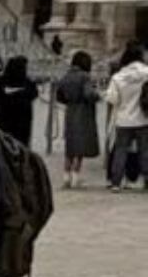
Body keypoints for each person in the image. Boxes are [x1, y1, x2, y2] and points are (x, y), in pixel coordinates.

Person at [102, 46, 147, 191]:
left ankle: (116, 181)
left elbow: (112, 98)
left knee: (120, 150)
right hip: (144, 117)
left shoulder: (118, 77)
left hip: (123, 118)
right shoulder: (146, 73)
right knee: (144, 150)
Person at [55, 51, 100, 188]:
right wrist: (97, 96)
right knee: (80, 147)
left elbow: (59, 96)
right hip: (83, 113)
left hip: (70, 111)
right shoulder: (85, 77)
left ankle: (66, 176)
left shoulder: (66, 76)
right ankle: (75, 176)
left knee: (70, 147)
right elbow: (88, 94)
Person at [0, 55, 39, 147]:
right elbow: (34, 94)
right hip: (21, 124)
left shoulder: (2, 81)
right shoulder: (27, 84)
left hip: (2, 120)